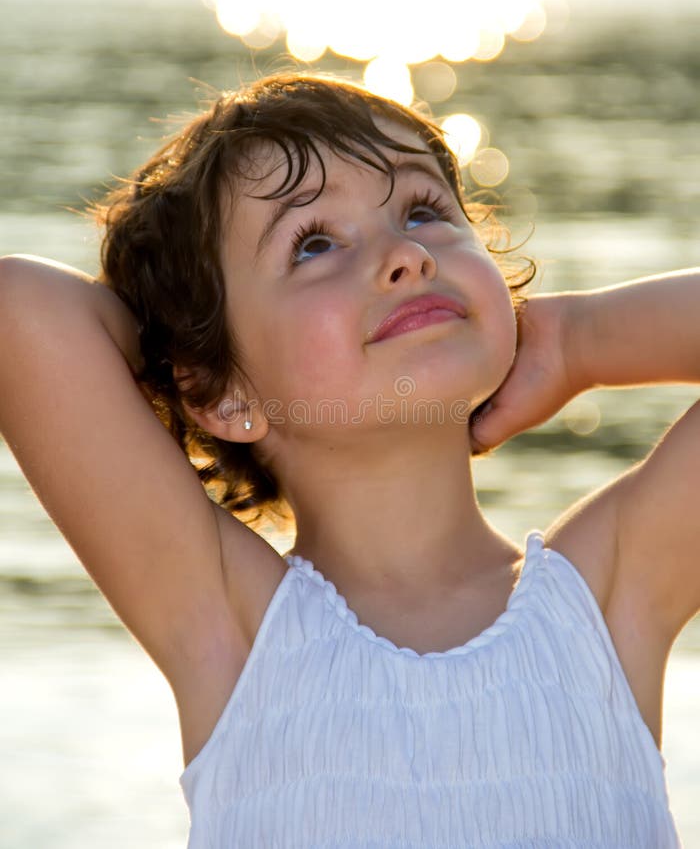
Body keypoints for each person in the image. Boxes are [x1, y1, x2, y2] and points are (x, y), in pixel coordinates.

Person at [0, 73, 697, 848]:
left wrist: (578, 342)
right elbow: (22, 311)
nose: (404, 255)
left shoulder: (610, 599)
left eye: (424, 212)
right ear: (221, 395)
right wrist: (195, 354)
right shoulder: (232, 630)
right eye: (316, 244)